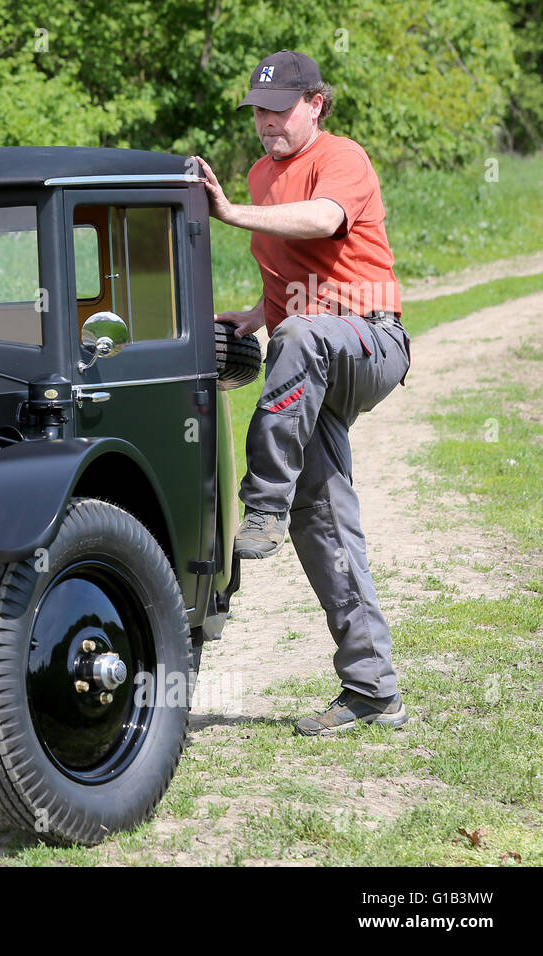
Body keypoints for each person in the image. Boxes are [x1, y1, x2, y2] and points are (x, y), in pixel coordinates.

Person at [192, 50, 413, 736]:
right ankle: (373, 687)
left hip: (369, 342)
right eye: (258, 111)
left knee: (303, 338)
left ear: (315, 102)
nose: (266, 124)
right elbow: (289, 276)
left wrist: (226, 212)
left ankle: (261, 505)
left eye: (280, 110)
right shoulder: (262, 173)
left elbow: (321, 223)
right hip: (310, 357)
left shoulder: (342, 156)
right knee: (327, 524)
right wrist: (253, 316)